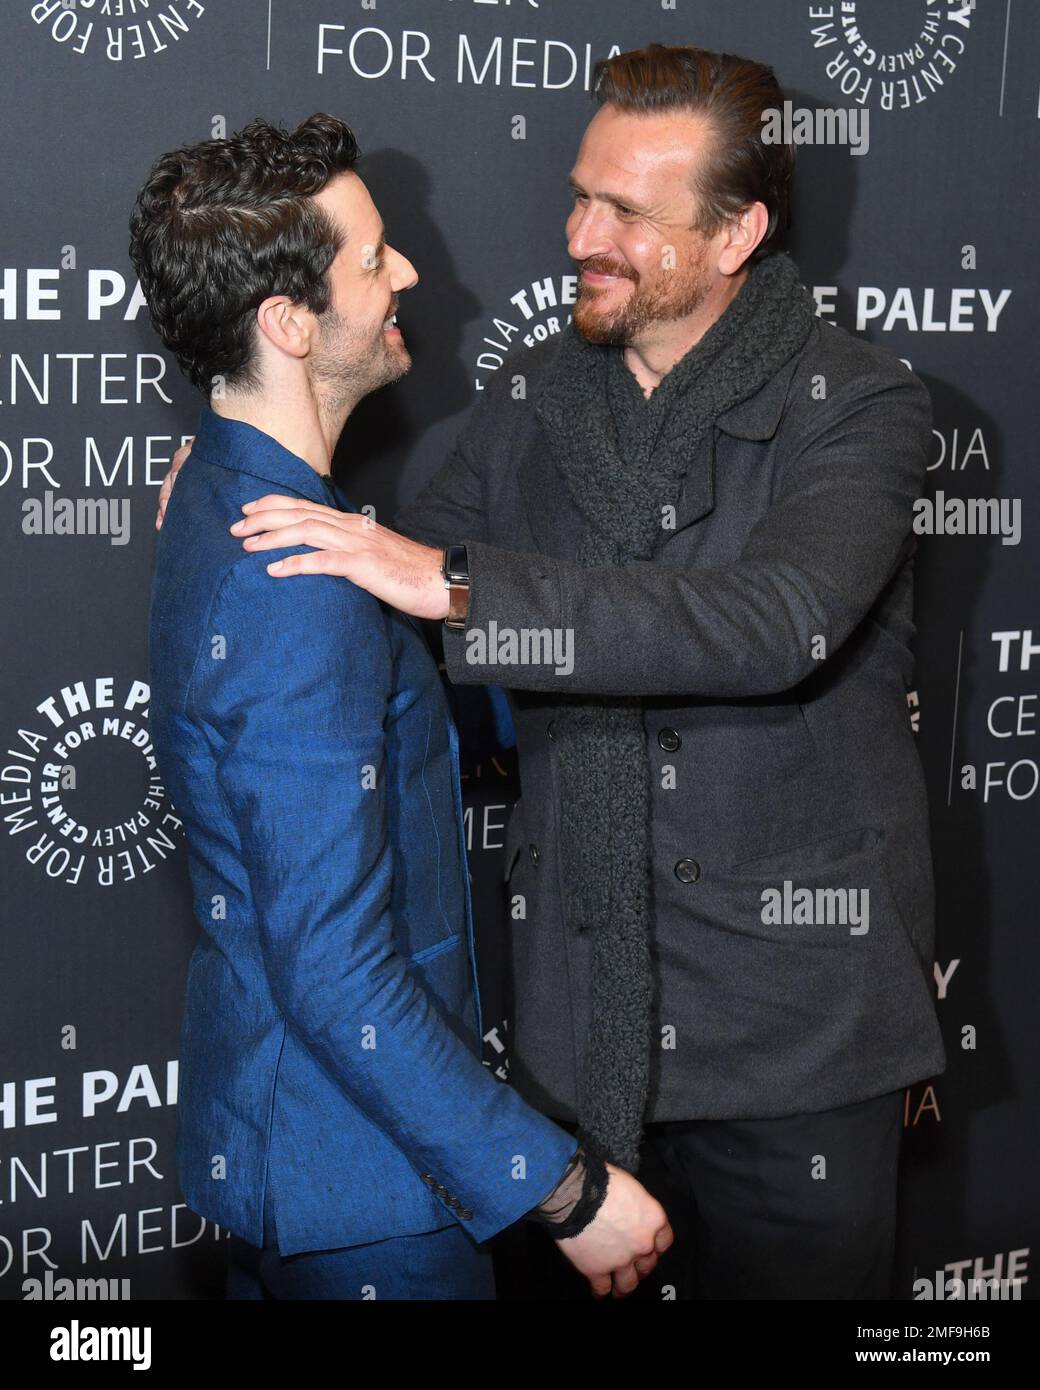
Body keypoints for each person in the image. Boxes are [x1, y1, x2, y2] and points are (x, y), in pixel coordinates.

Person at [160, 43, 947, 1300]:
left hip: (792, 1045)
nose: (582, 231)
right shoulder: (534, 395)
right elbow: (384, 580)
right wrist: (233, 501)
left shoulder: (855, 403)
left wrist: (462, 584)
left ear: (737, 231)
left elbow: (775, 620)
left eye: (629, 212)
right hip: (573, 1052)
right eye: (582, 192)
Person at [131, 112, 671, 1301]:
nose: (408, 273)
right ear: (287, 323)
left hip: (297, 1153)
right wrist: (562, 1190)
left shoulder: (222, 491)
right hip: (363, 1185)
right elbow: (333, 968)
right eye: (372, 259)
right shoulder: (292, 578)